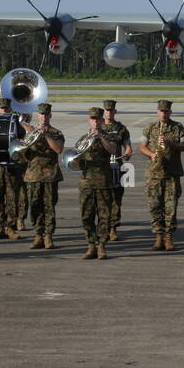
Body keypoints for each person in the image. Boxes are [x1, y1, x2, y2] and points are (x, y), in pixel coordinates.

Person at [140, 99, 184, 250]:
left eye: (166, 111)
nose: (164, 113)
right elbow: (142, 146)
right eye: (161, 111)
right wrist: (152, 154)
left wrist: (170, 143)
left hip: (171, 173)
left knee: (171, 207)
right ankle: (158, 237)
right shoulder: (150, 127)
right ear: (157, 112)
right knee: (154, 206)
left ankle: (169, 237)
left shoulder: (177, 127)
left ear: (170, 113)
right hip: (154, 173)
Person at [15, 102, 65, 249]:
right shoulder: (30, 133)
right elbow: (22, 155)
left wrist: (45, 134)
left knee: (49, 206)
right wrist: (23, 144)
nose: (43, 117)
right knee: (35, 205)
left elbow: (58, 149)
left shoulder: (56, 133)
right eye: (41, 114)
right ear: (38, 115)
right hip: (33, 175)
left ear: (50, 116)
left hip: (50, 175)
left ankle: (48, 235)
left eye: (46, 114)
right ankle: (38, 235)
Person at [76, 106, 123, 259]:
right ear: (89, 120)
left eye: (97, 119)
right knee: (86, 215)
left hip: (104, 182)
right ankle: (90, 245)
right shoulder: (83, 139)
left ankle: (102, 245)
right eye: (92, 119)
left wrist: (101, 137)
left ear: (102, 121)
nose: (95, 122)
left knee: (104, 216)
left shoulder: (109, 137)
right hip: (87, 183)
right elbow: (76, 162)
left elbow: (114, 151)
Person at [0, 97, 26, 241]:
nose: (4, 111)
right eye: (2, 109)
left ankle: (10, 227)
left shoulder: (17, 125)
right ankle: (0, 227)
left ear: (10, 110)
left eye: (6, 109)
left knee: (12, 198)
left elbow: (22, 142)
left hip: (11, 167)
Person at [102, 99, 133, 241]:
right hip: (102, 168)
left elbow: (128, 146)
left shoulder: (121, 128)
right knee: (102, 199)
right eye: (107, 110)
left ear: (115, 112)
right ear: (104, 112)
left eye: (111, 110)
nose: (109, 113)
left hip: (117, 167)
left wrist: (127, 152)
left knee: (116, 198)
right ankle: (103, 227)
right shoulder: (97, 127)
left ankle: (113, 228)